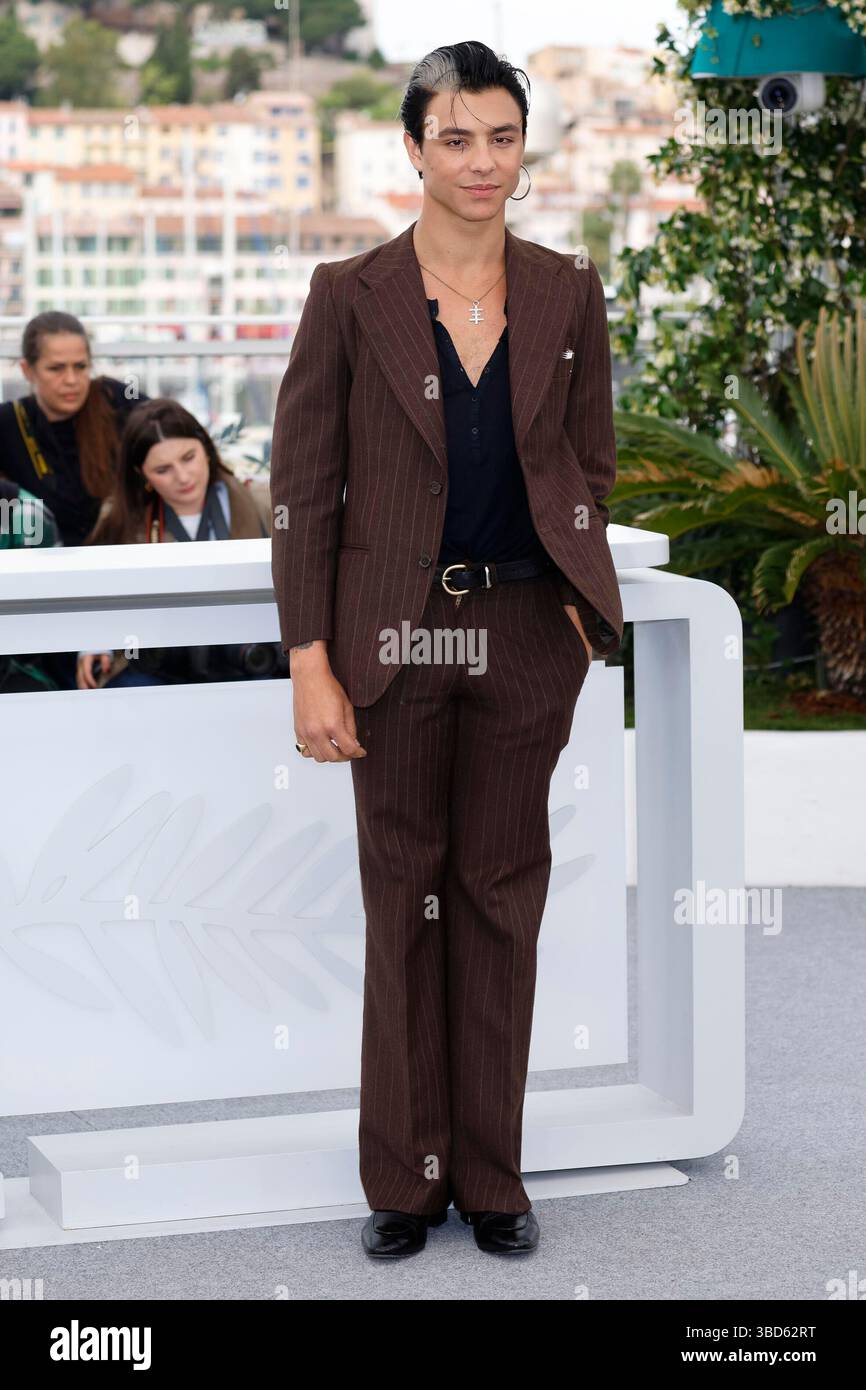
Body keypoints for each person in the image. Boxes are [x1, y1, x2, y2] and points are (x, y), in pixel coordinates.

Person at [269, 40, 623, 1260]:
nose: (481, 161)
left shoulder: (568, 290)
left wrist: (577, 615)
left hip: (523, 631)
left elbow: (588, 461)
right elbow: (305, 492)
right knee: (401, 902)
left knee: (497, 903)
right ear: (412, 149)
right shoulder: (347, 294)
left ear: (524, 149)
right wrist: (309, 658)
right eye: (456, 137)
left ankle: (493, 1177)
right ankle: (407, 1181)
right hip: (393, 642)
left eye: (501, 137)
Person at [77, 398, 278, 690]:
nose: (183, 477)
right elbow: (93, 590)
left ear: (206, 449)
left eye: (188, 458)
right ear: (140, 473)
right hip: (160, 664)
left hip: (248, 656)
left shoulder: (262, 501)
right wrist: (94, 642)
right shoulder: (121, 519)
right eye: (163, 470)